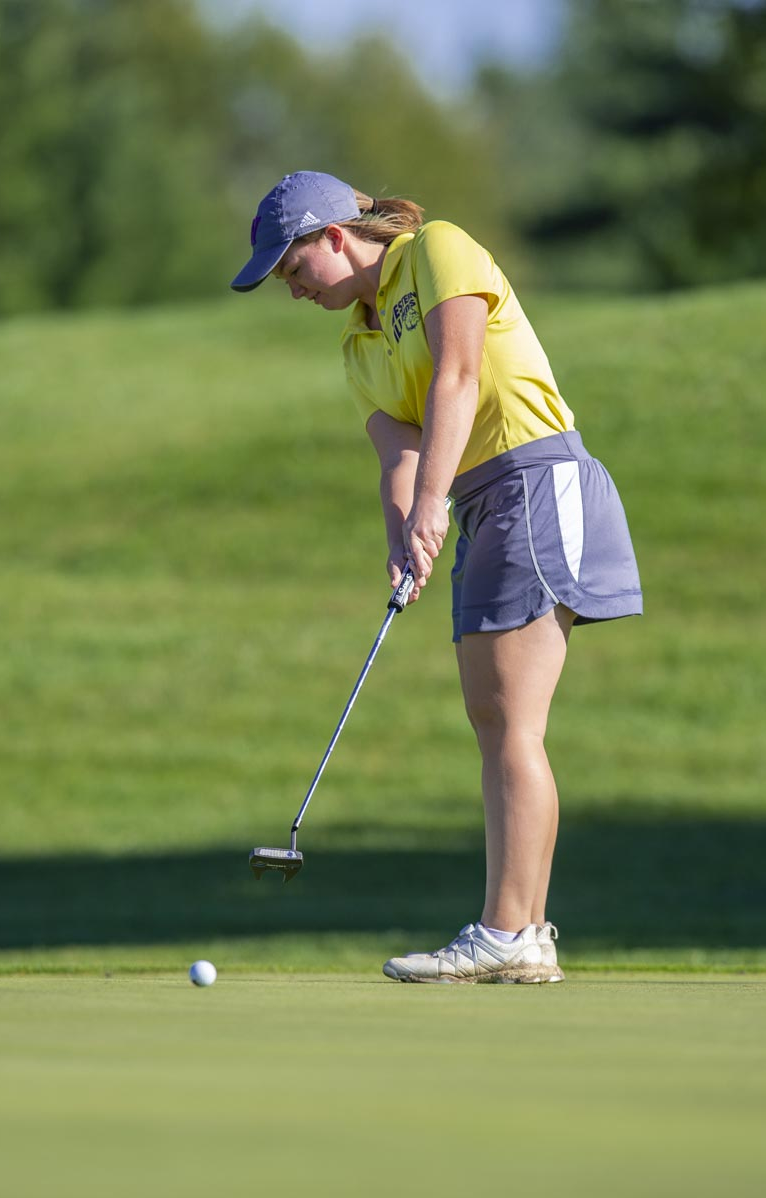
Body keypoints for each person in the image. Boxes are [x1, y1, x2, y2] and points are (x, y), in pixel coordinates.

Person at [231, 171, 642, 984]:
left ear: (335, 236)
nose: (293, 290)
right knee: (493, 718)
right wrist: (402, 534)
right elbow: (400, 451)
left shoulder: (438, 251)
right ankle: (520, 935)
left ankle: (511, 930)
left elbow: (459, 375)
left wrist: (429, 506)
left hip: (534, 477)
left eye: (294, 268)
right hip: (483, 501)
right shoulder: (359, 345)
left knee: (513, 722)